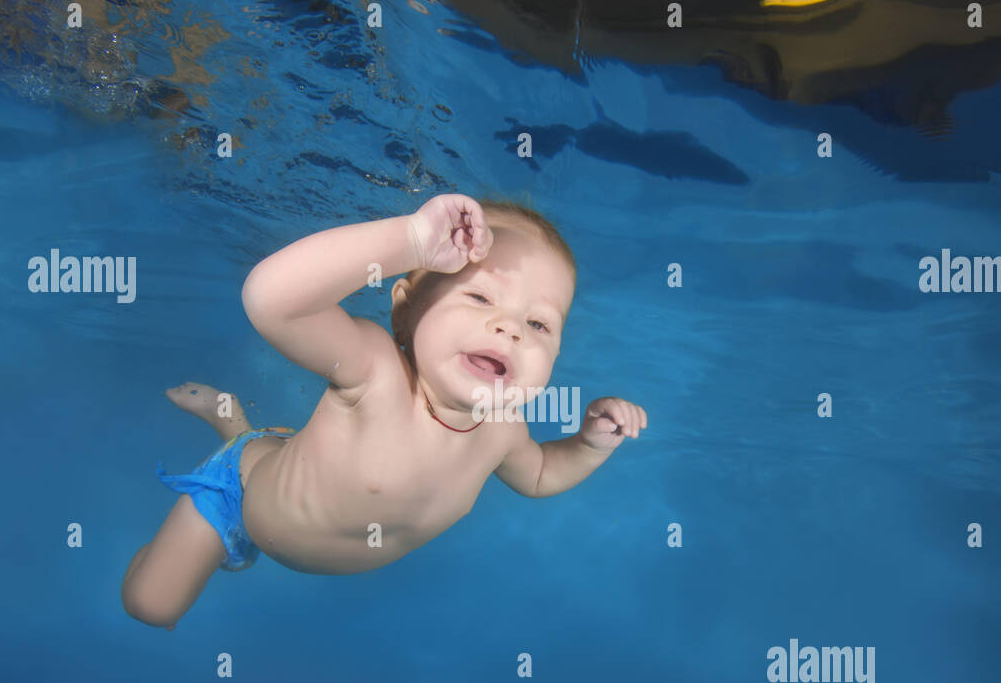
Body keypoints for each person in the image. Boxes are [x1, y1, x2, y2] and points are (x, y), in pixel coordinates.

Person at [122, 194, 647, 629]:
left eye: (539, 325)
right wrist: (412, 241)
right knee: (150, 607)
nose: (509, 329)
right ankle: (230, 428)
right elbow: (271, 300)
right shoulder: (373, 371)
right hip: (239, 495)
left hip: (290, 479)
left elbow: (538, 475)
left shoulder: (504, 431)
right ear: (404, 311)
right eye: (482, 298)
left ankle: (235, 421)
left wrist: (588, 445)